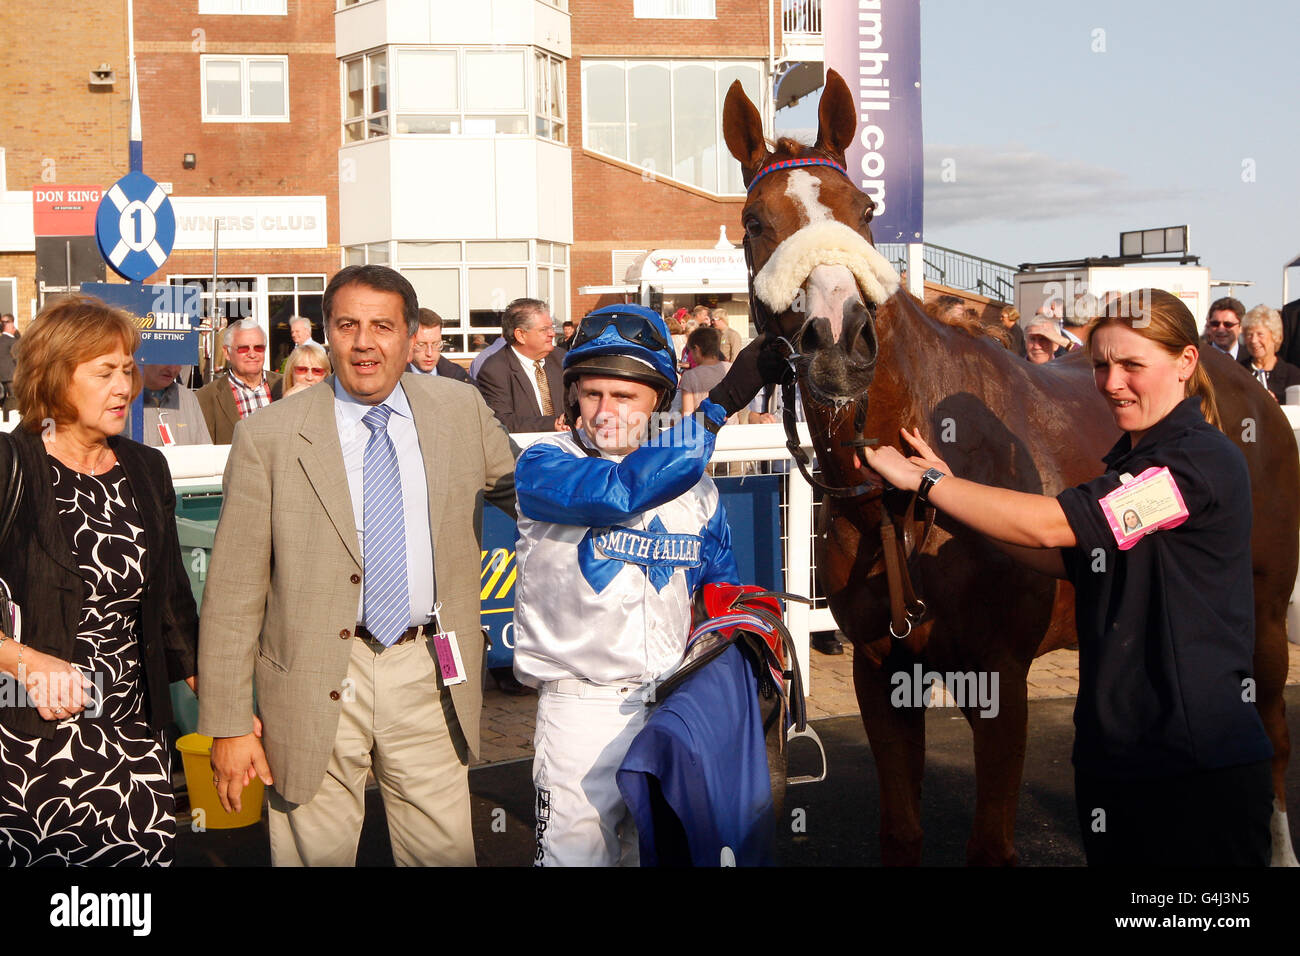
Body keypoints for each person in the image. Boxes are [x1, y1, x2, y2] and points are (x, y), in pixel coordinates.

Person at [860, 288, 1274, 866]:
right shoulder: (1129, 460)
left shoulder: (1197, 464)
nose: (1110, 383)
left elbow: (1054, 526)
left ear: (1186, 363)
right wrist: (954, 495)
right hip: (1118, 758)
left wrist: (928, 485)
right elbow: (1066, 558)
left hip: (1194, 765)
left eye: (1133, 365)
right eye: (1102, 365)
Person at [198, 265, 517, 867]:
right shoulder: (268, 435)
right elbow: (233, 591)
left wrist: (627, 479)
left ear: (408, 334)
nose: (364, 342)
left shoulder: (459, 409)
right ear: (327, 333)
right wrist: (230, 723)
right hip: (311, 676)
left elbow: (528, 493)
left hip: (429, 668)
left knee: (443, 855)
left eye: (382, 326)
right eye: (347, 325)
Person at [511, 303, 777, 866]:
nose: (605, 411)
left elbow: (717, 603)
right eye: (592, 394)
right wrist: (722, 403)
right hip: (579, 716)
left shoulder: (698, 489)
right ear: (572, 397)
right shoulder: (542, 463)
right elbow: (620, 492)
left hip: (670, 712)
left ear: (656, 400)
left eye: (625, 396)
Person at [0, 295, 198, 865]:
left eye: (128, 370)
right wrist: (27, 664)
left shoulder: (144, 467)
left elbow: (172, 605)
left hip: (132, 733)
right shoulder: (12, 466)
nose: (124, 387)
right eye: (104, 372)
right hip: (29, 738)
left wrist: (227, 708)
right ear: (56, 378)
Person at [475, 298, 567, 432]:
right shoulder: (494, 370)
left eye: (551, 328)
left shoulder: (561, 358)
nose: (552, 334)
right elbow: (502, 421)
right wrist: (553, 424)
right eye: (544, 330)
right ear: (520, 335)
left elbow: (577, 402)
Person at [195, 318, 283, 443]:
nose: (252, 354)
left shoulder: (286, 386)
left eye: (258, 348)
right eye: (243, 348)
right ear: (227, 352)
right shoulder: (205, 398)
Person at [1238, 304, 1300, 404]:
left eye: (1260, 334)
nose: (1254, 340)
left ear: (1275, 336)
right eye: (1249, 334)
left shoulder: (1293, 375)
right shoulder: (1238, 371)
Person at [139, 363, 213, 446]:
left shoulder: (188, 398)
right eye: (165, 360)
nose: (173, 369)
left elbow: (204, 451)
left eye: (178, 362)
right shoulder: (126, 400)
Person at [408, 307, 470, 383]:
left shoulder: (458, 376)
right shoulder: (393, 380)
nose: (429, 353)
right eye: (421, 345)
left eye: (435, 344)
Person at [0, 312, 18, 415]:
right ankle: (12, 419)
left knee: (2, 399)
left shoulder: (1, 340)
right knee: (14, 399)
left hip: (1, 375)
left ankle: (4, 418)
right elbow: (17, 358)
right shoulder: (13, 341)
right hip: (11, 375)